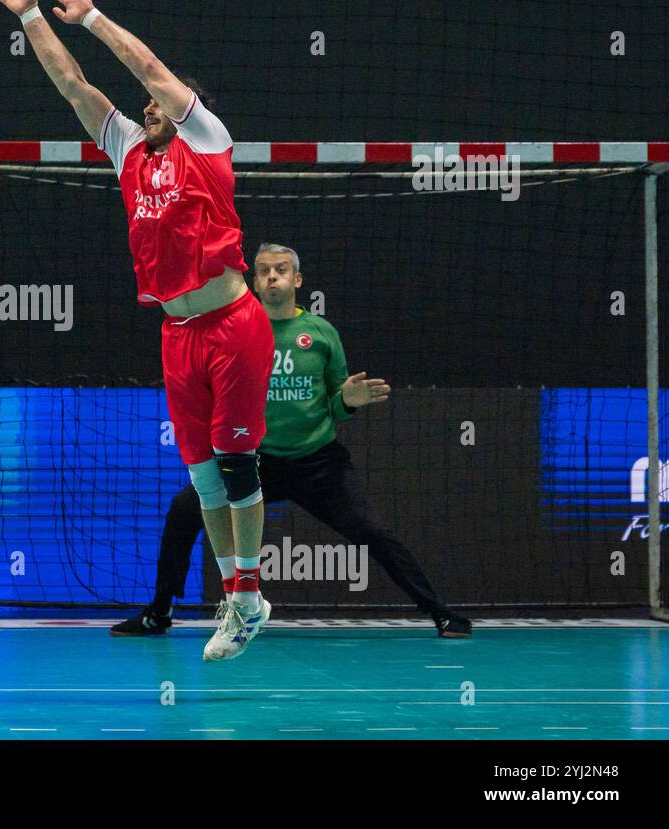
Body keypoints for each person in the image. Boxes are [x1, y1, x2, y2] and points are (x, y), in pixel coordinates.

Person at [0, 0, 273, 661]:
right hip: (177, 332)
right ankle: (239, 595)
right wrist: (31, 16)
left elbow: (145, 64)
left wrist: (90, 18)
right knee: (203, 476)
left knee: (236, 464)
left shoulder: (207, 140)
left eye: (158, 99)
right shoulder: (128, 154)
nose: (147, 104)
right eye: (143, 103)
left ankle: (247, 591)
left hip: (234, 323)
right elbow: (74, 86)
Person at [110, 244, 473, 639]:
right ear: (252, 282)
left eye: (280, 270)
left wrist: (347, 402)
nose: (271, 277)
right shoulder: (238, 329)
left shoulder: (321, 333)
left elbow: (335, 404)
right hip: (254, 460)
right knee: (184, 508)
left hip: (315, 464)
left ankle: (440, 613)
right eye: (263, 271)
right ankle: (159, 613)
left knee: (371, 530)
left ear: (297, 280)